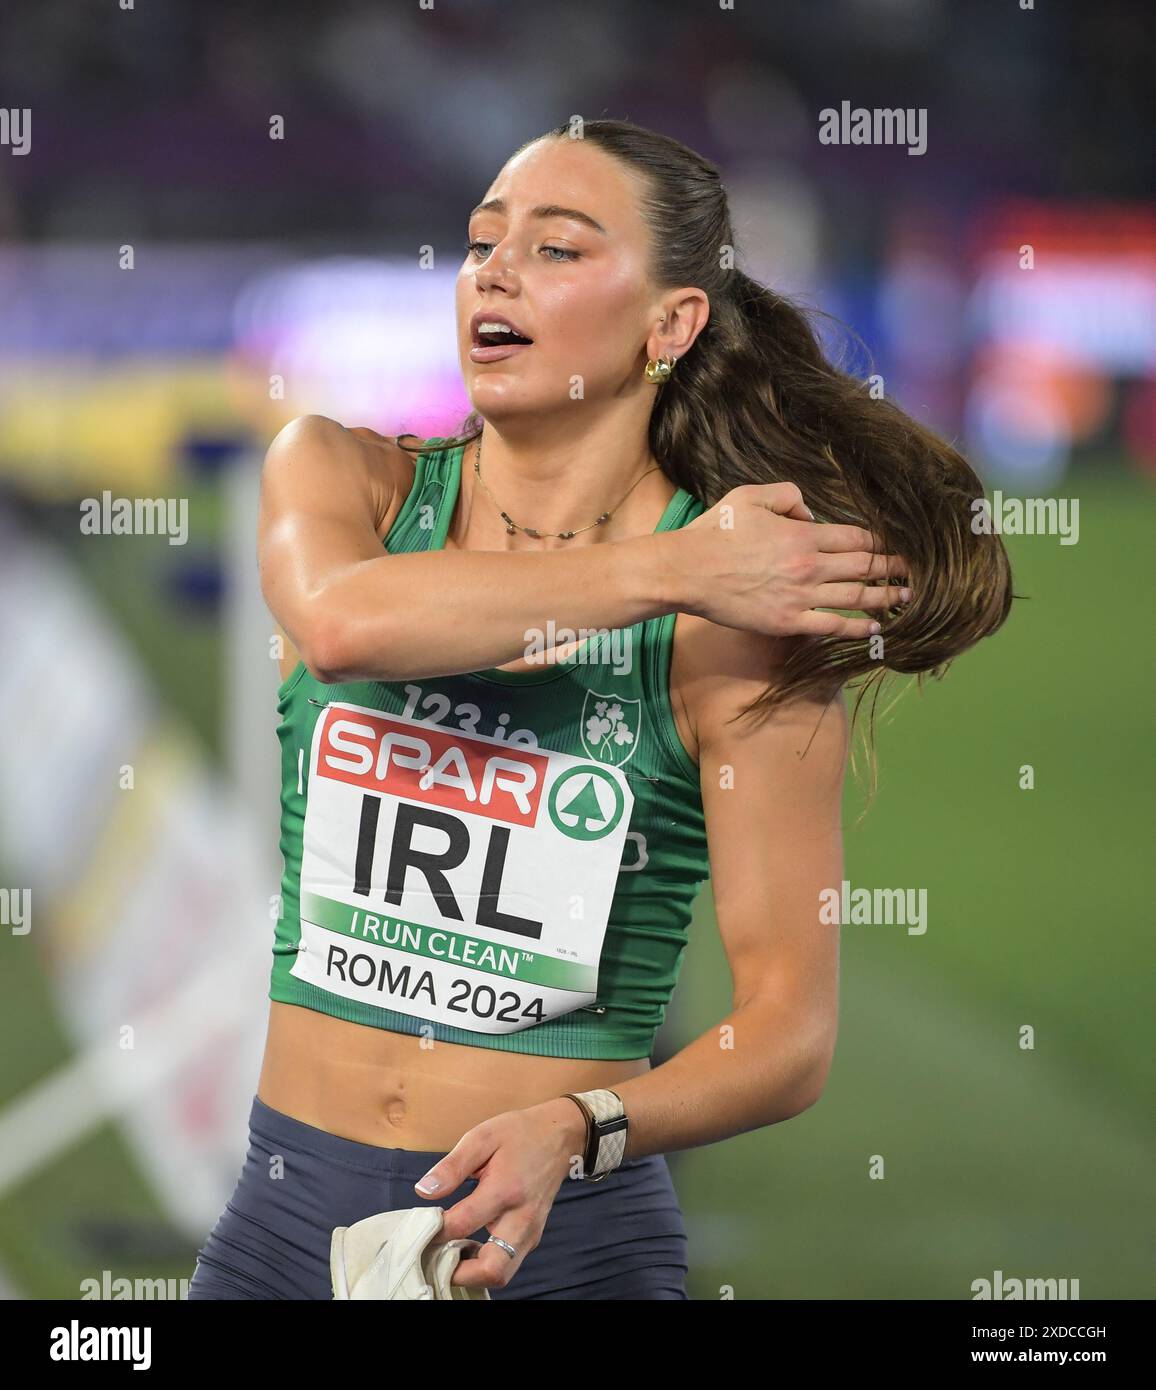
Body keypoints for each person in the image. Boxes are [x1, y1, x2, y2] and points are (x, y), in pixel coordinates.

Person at [188, 118, 1012, 1301]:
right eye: (481, 244)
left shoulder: (738, 619)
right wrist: (672, 570)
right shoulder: (341, 478)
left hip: (558, 1251)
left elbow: (787, 1032)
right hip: (279, 1227)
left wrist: (581, 1125)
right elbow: (343, 624)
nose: (496, 271)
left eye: (558, 249)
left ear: (670, 323)